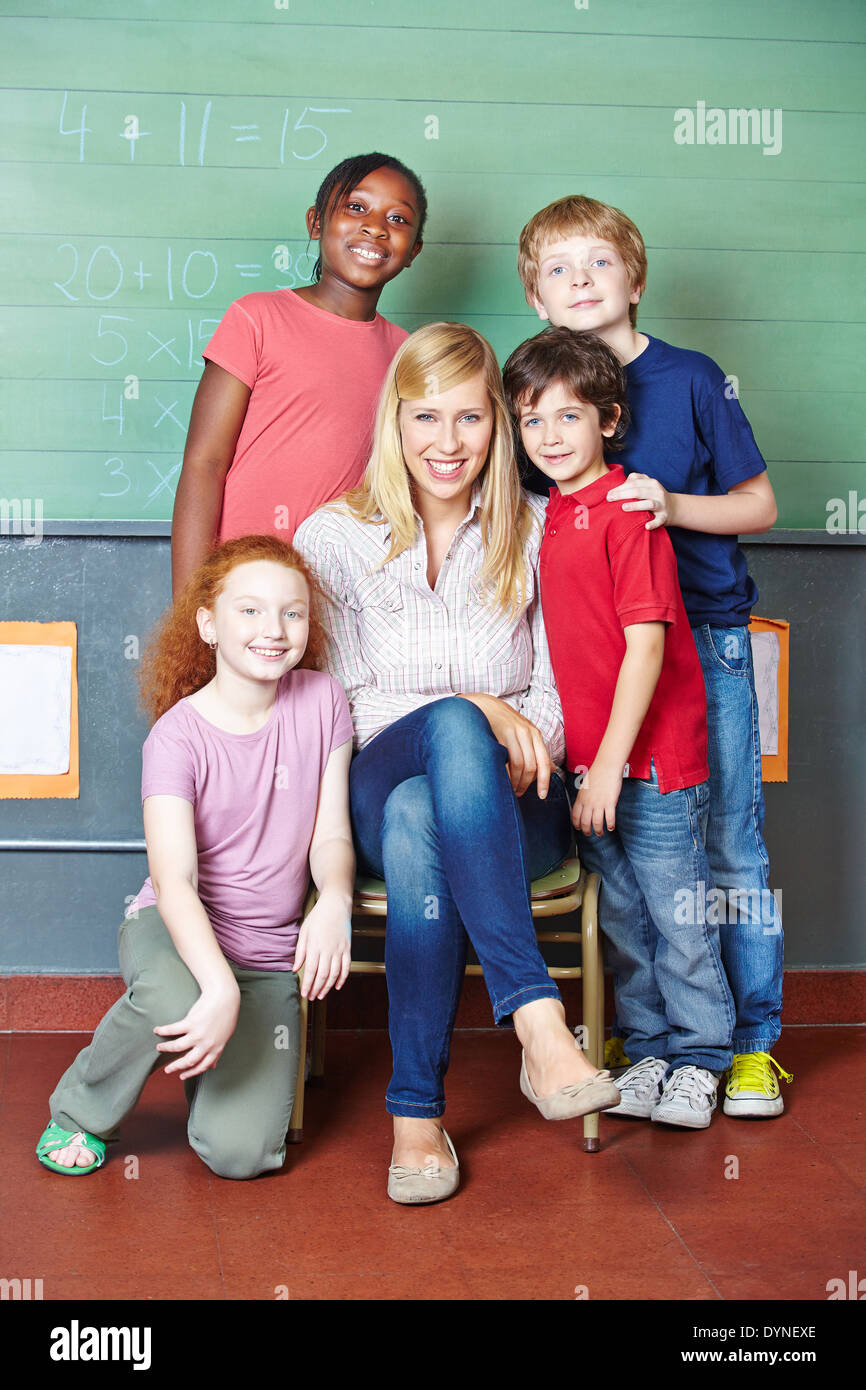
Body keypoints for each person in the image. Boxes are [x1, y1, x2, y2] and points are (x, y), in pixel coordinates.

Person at [294, 321, 620, 1205]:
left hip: (519, 800)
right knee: (439, 746)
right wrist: (475, 713)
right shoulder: (334, 538)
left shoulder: (540, 529)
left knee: (419, 821)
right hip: (370, 778)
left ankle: (414, 1116)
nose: (448, 443)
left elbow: (560, 690)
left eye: (471, 420)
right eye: (426, 418)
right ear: (394, 423)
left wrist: (514, 741)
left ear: (497, 428)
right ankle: (540, 1023)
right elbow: (340, 707)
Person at [516, 194, 792, 1118]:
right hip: (604, 670)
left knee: (731, 849)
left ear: (635, 277)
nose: (581, 280)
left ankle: (747, 1046)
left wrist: (671, 507)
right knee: (633, 869)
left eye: (599, 262)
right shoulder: (553, 403)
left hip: (706, 640)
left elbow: (759, 506)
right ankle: (661, 1044)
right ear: (537, 298)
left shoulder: (693, 379)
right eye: (559, 269)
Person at [36, 536, 354, 1180]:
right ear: (208, 624)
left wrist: (336, 901)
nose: (274, 629)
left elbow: (331, 837)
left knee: (241, 1158)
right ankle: (79, 1111)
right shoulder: (176, 736)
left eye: (292, 613)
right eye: (250, 611)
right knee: (175, 997)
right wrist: (215, 986)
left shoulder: (323, 701)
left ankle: (215, 1052)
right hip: (177, 931)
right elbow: (173, 879)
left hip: (267, 956)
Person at [504, 327, 735, 1129]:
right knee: (627, 922)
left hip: (652, 764)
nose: (551, 437)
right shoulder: (551, 518)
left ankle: (704, 1058)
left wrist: (608, 766)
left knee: (679, 919)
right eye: (533, 422)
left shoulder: (629, 508)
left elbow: (646, 646)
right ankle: (649, 1053)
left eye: (569, 418)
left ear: (608, 419)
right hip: (590, 768)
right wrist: (585, 766)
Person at [170, 153, 426, 596]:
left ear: (414, 251)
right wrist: (192, 605)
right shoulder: (256, 318)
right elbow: (205, 464)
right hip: (245, 583)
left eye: (398, 218)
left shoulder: (408, 355)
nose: (375, 227)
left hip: (346, 593)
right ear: (316, 222)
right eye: (356, 207)